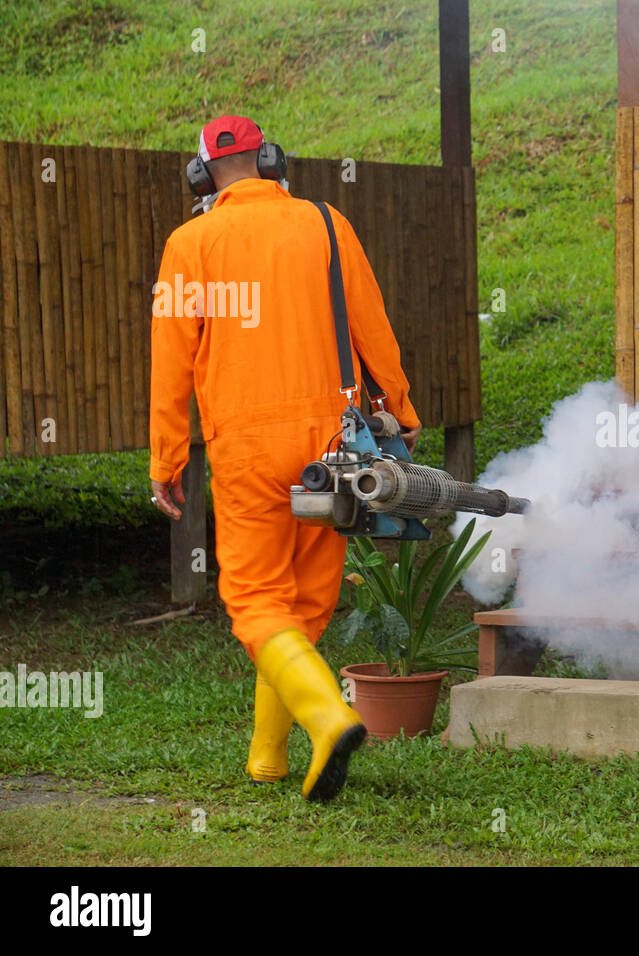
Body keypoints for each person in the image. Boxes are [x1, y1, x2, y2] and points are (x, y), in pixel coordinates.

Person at [148, 115, 422, 801]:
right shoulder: (326, 224)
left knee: (254, 600)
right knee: (302, 601)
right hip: (329, 443)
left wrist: (166, 455)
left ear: (201, 172)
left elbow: (170, 361)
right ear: (270, 160)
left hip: (246, 446)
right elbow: (371, 324)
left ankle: (329, 717)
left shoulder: (189, 243)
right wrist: (403, 409)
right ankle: (268, 757)